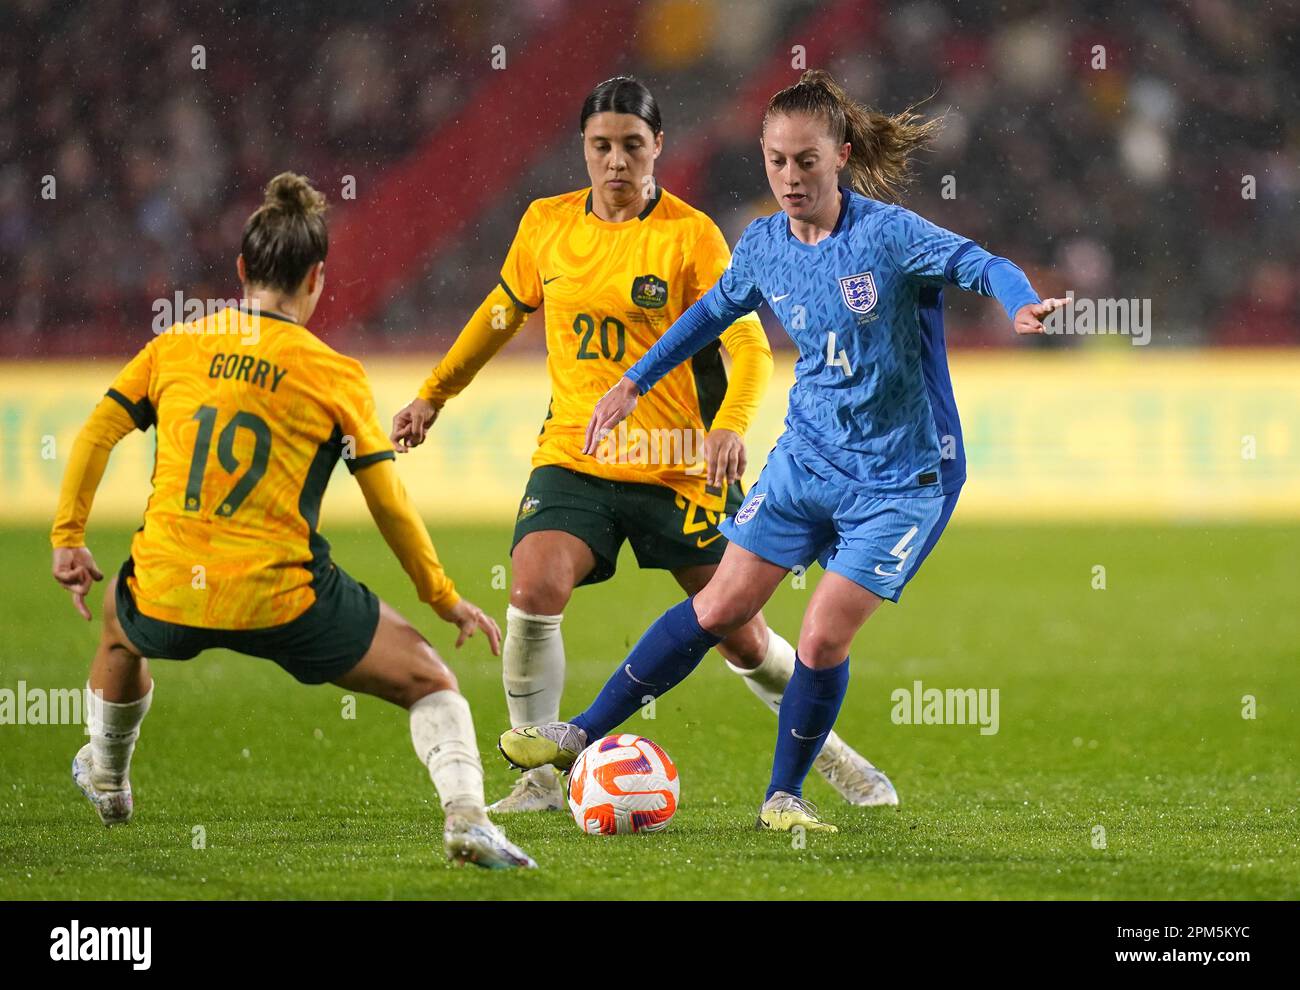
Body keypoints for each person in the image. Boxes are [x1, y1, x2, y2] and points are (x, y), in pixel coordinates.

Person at [499, 70, 1068, 833]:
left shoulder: (890, 236)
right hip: (807, 460)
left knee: (822, 631)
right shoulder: (764, 243)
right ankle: (577, 734)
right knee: (722, 606)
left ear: (841, 154)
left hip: (904, 476)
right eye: (776, 161)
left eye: (806, 161)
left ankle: (784, 795)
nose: (790, 178)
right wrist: (634, 381)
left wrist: (1020, 298)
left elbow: (981, 263)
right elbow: (710, 314)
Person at [391, 76, 897, 813]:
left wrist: (730, 425)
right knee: (533, 585)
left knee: (739, 633)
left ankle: (834, 756)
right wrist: (433, 394)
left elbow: (749, 348)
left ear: (658, 144)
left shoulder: (691, 234)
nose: (616, 161)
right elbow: (498, 318)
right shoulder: (545, 224)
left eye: (632, 145)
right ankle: (538, 773)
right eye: (601, 146)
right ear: (584, 150)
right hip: (577, 455)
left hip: (679, 465)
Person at [51, 173, 535, 869]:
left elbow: (97, 431)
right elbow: (387, 502)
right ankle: (465, 816)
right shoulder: (333, 373)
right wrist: (441, 597)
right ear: (316, 279)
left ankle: (108, 777)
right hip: (283, 600)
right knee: (431, 683)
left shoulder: (174, 347)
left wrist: (68, 540)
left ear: (242, 269)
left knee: (119, 632)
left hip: (169, 589)